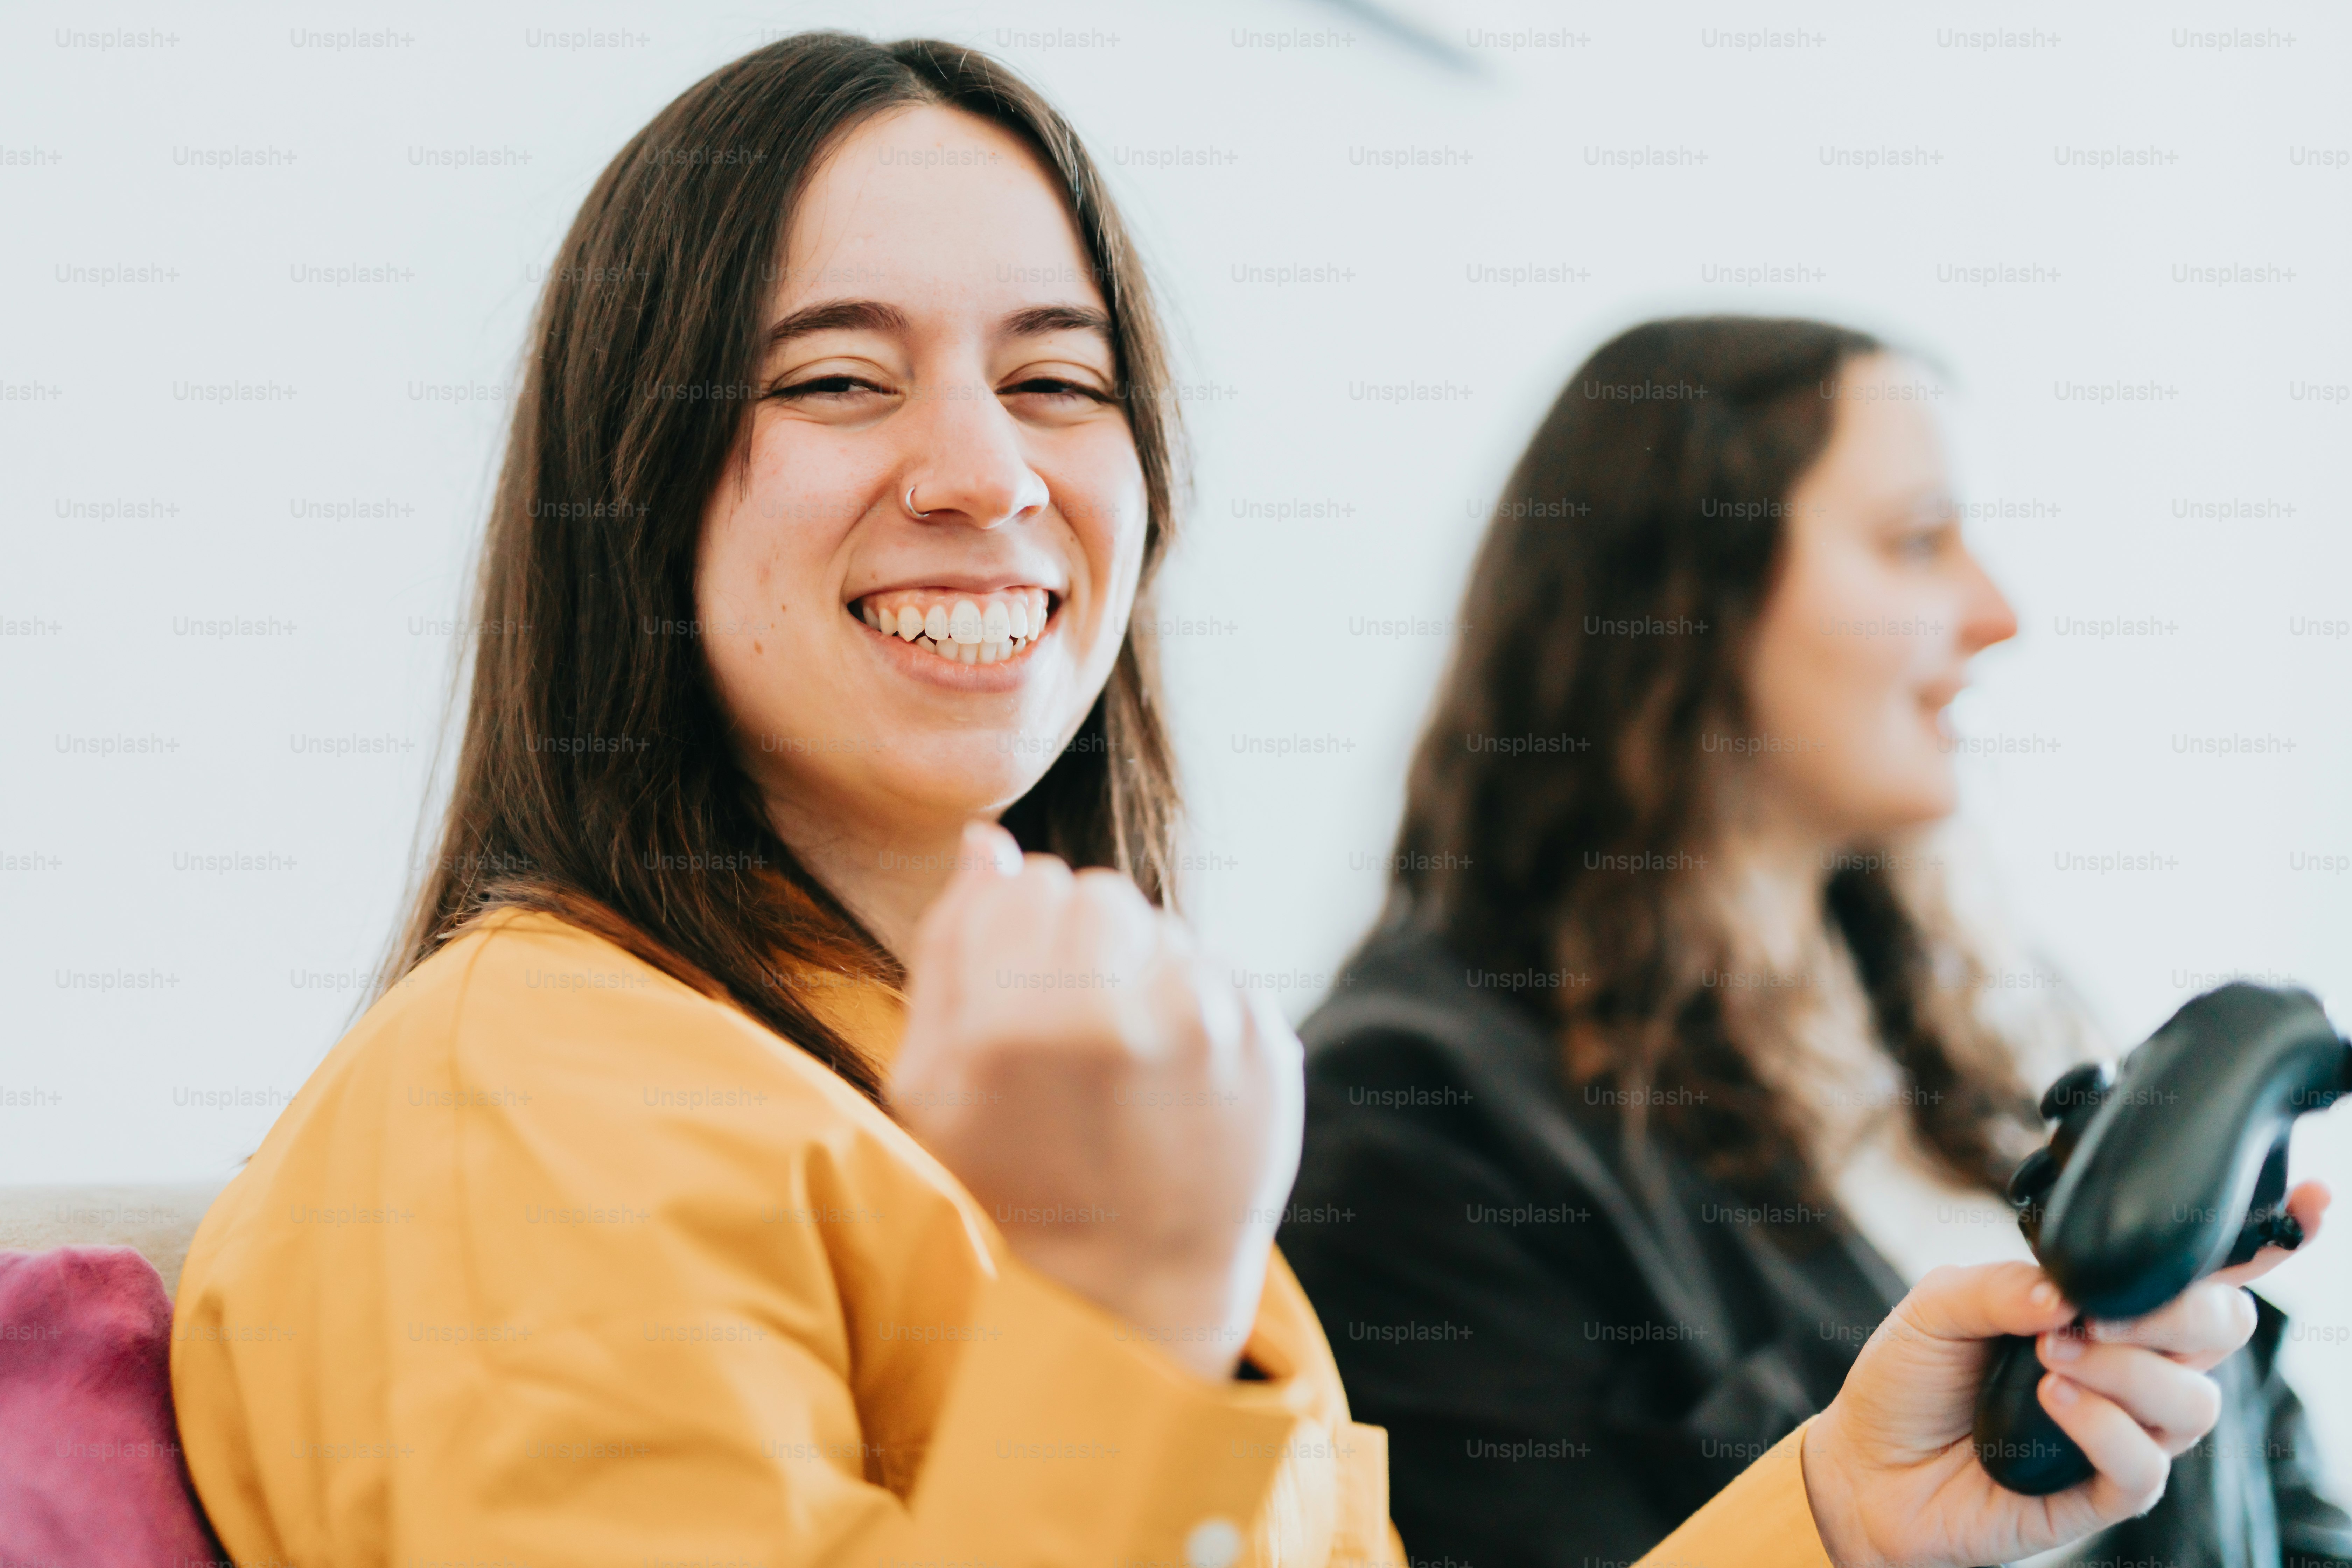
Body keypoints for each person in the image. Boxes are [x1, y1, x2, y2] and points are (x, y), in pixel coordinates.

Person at [168, 47, 2297, 1567]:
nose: (988, 472)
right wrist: (1119, 1325)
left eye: (1061, 378)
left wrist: (1835, 1522)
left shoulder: (1021, 1120)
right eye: (835, 375)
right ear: (626, 484)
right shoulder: (516, 1092)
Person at [1278, 316, 2348, 1568]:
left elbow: (2284, 1506)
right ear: (1680, 600)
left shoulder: (1991, 1032)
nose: (1997, 613)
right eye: (1914, 544)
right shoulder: (1410, 1121)